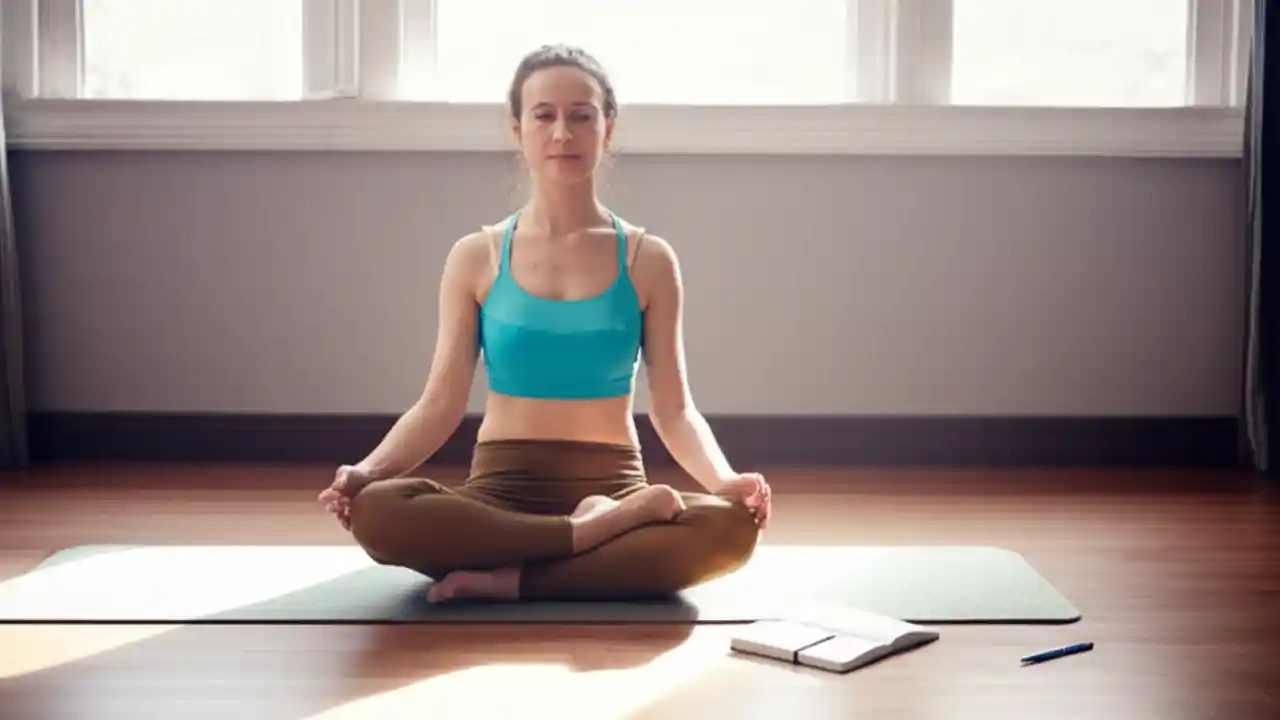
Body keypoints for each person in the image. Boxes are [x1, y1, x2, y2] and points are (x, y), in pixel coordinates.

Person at [317, 44, 772, 603]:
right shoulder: (475, 256)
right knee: (379, 513)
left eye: (582, 115)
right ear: (518, 130)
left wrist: (726, 483)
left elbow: (674, 410)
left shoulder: (649, 259)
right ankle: (590, 537)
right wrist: (364, 471)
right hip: (500, 492)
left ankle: (510, 575)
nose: (563, 132)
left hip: (614, 484)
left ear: (607, 130)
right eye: (544, 115)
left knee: (729, 531)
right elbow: (439, 405)